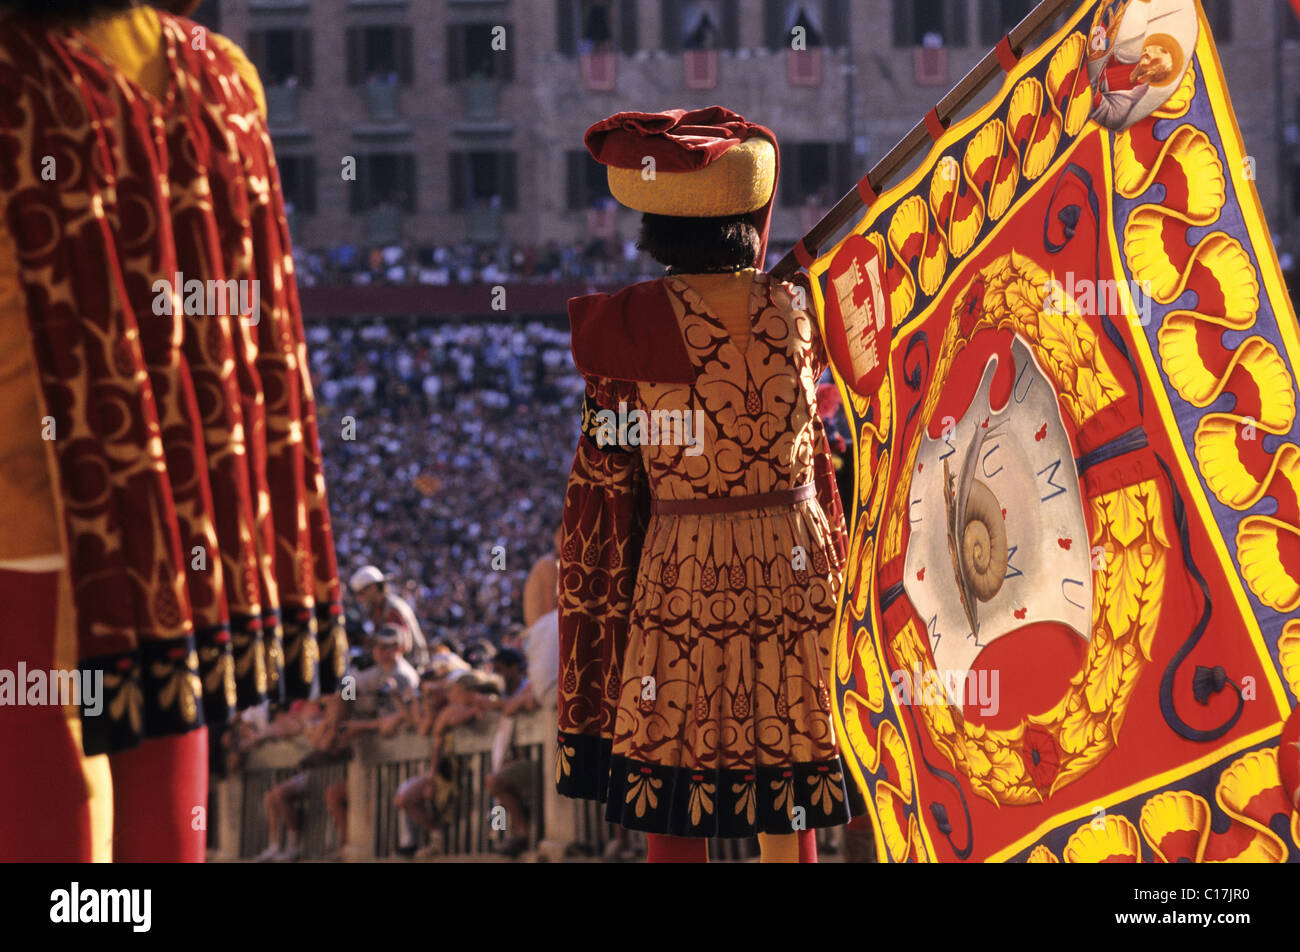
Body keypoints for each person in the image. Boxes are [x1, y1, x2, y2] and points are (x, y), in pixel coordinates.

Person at [0, 0, 343, 863]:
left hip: (28, 509)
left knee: (43, 801)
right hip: (178, 509)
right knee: (159, 803)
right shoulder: (226, 75)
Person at [556, 107, 867, 863]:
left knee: (674, 771)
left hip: (686, 556)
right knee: (788, 767)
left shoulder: (634, 322)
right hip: (798, 555)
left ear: (653, 228)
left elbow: (609, 465)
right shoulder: (799, 308)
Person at [480, 647, 539, 858]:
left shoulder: (528, 684)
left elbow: (514, 706)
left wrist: (498, 705)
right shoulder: (500, 691)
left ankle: (521, 834)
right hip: (506, 757)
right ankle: (505, 834)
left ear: (515, 668)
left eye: (500, 669)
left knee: (495, 781)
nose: (497, 674)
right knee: (494, 785)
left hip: (537, 761)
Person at [350, 565, 430, 668]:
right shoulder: (380, 606)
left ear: (373, 588)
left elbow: (403, 647)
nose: (358, 598)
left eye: (361, 593)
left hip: (410, 665)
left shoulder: (392, 609)